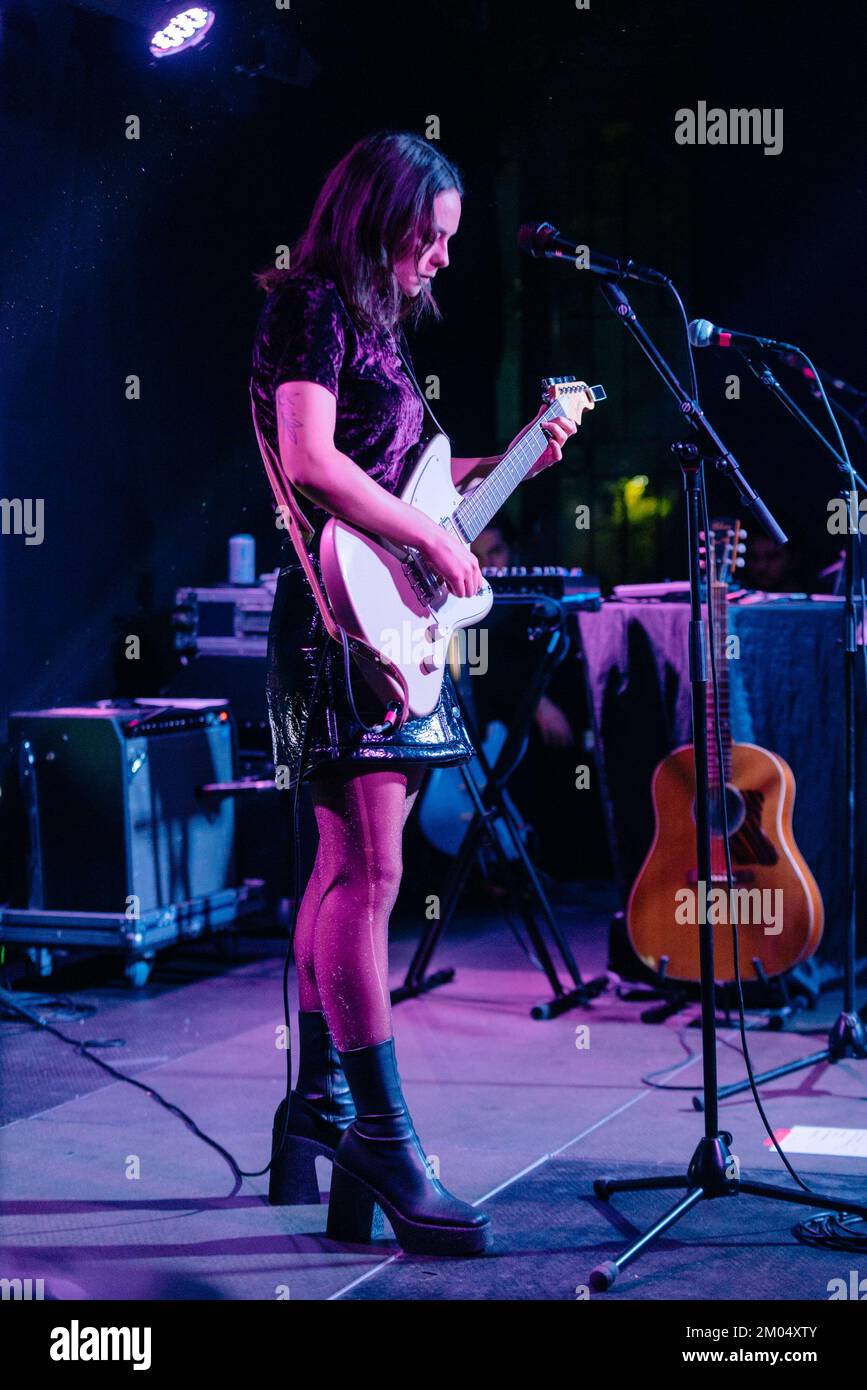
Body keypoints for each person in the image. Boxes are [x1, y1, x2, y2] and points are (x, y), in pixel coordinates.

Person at [250, 131, 577, 1255]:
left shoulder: (372, 332)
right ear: (378, 215)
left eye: (448, 243)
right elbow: (311, 459)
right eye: (428, 237)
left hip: (360, 620)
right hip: (340, 629)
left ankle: (320, 1110)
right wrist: (432, 553)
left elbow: (411, 488)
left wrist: (520, 457)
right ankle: (380, 1138)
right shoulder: (311, 305)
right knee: (370, 874)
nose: (441, 259)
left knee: (348, 869)